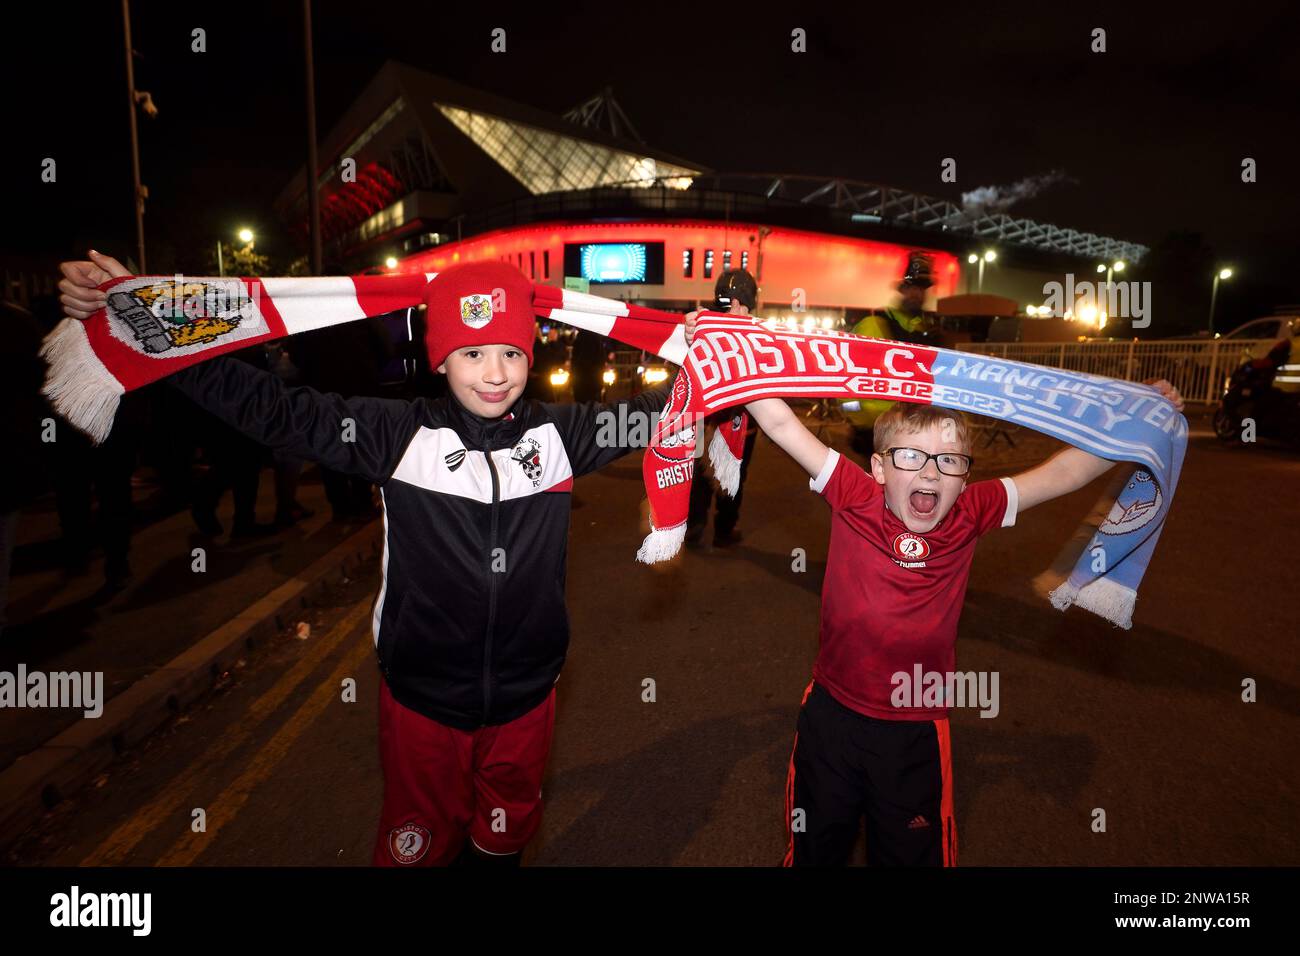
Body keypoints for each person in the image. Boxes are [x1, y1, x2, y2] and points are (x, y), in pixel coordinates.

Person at [59, 253, 670, 867]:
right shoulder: (394, 433)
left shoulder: (559, 438)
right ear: (441, 357)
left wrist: (721, 346)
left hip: (528, 696)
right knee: (419, 848)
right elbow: (272, 409)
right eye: (473, 352)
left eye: (510, 353)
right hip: (422, 701)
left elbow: (664, 410)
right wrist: (147, 322)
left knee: (502, 840)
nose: (495, 373)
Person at [682, 313, 1184, 866]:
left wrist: (1140, 417)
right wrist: (725, 343)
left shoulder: (972, 511)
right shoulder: (854, 495)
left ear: (965, 475)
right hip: (832, 716)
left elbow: (1064, 474)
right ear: (877, 466)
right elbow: (778, 425)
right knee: (815, 850)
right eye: (911, 457)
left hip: (916, 729)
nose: (930, 473)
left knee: (910, 856)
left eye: (948, 461)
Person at [686, 269, 760, 548]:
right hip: (737, 422)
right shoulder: (754, 333)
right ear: (743, 302)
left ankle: (696, 523)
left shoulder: (702, 327)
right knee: (731, 475)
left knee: (703, 473)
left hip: (710, 419)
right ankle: (722, 529)